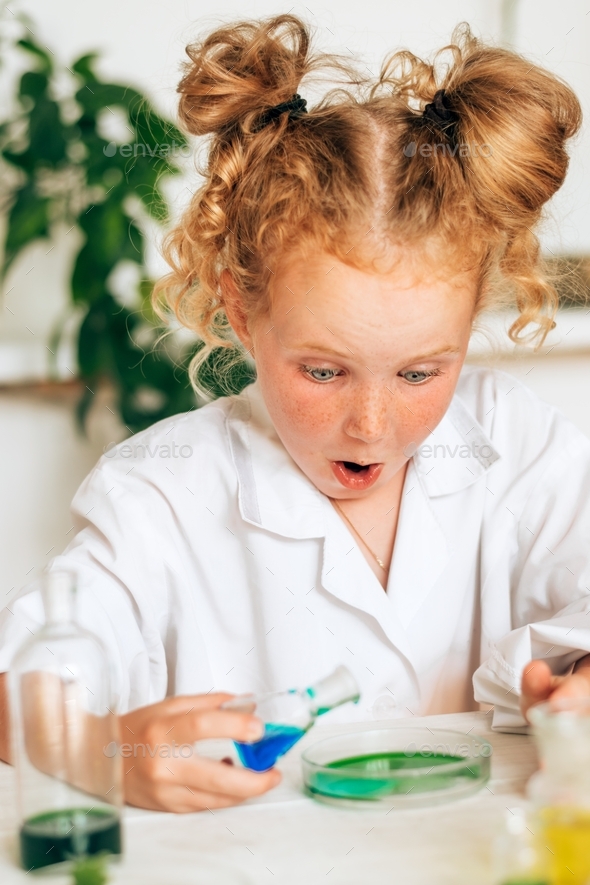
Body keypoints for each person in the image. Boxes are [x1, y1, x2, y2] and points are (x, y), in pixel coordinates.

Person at [1, 14, 590, 813]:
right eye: (323, 370)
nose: (373, 423)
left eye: (421, 370)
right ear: (242, 313)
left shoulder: (514, 444)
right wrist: (100, 751)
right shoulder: (160, 495)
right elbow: (16, 686)